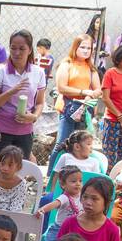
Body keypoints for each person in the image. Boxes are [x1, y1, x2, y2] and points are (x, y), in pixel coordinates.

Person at [0, 30, 48, 162]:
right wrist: (11, 91)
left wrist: (34, 116)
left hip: (25, 133)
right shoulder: (0, 71)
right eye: (13, 48)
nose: (17, 53)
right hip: (1, 132)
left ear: (30, 50)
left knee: (19, 174)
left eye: (22, 48)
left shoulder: (38, 72)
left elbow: (40, 103)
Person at [49, 34, 102, 164]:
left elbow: (98, 90)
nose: (85, 50)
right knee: (62, 142)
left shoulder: (91, 68)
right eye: (82, 47)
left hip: (84, 109)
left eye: (89, 48)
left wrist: (90, 95)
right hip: (67, 108)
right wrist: (83, 92)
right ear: (75, 47)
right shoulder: (66, 64)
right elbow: (61, 88)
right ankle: (51, 176)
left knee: (81, 144)